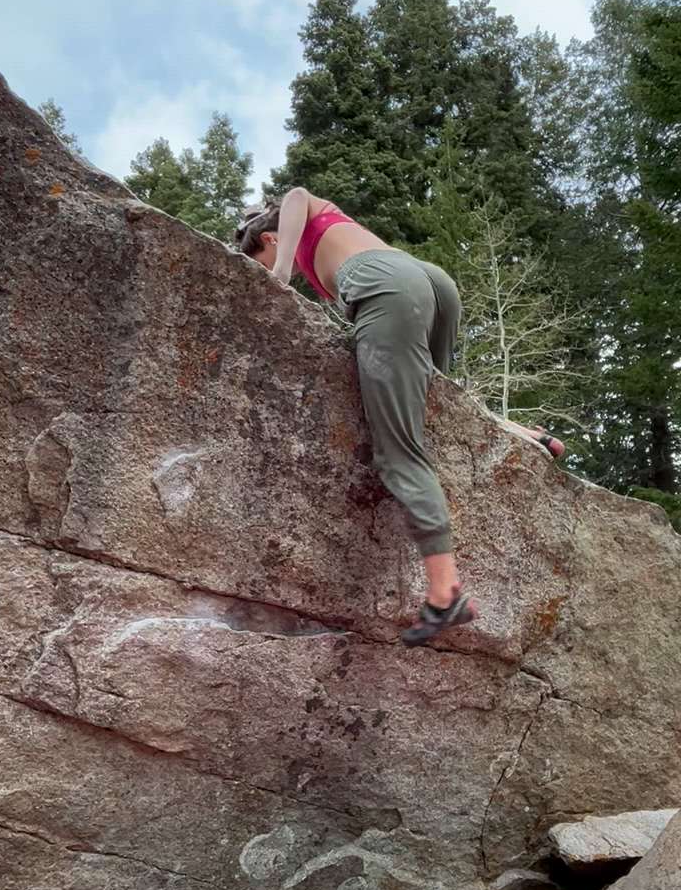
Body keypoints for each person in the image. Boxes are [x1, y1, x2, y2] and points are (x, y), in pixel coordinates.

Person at [235, 188, 564, 646]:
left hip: (384, 284)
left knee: (397, 452)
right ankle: (523, 434)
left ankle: (445, 590)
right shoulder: (332, 231)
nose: (264, 275)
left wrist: (283, 271)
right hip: (428, 280)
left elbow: (295, 195)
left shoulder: (294, 234)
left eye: (259, 264)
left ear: (268, 242)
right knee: (433, 404)